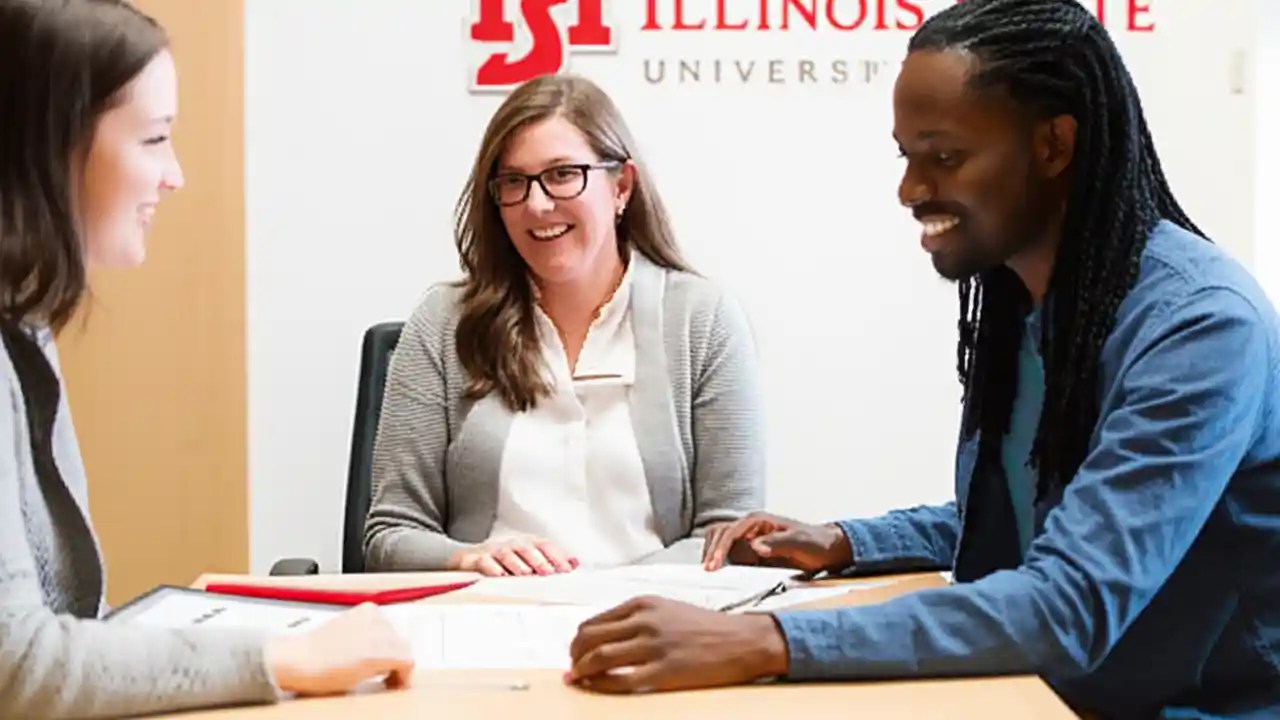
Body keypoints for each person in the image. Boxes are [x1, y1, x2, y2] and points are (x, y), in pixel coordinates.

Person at [562, 0, 1280, 716]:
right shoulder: (1026, 304)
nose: (910, 191)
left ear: (1054, 146)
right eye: (907, 157)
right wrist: (843, 542)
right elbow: (1039, 519)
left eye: (945, 158)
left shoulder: (1200, 328)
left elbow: (1070, 602)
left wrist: (764, 639)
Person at [0, 2, 414, 717]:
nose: (175, 176)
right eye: (155, 139)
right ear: (52, 145)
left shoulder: (25, 325)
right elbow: (17, 665)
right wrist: (284, 658)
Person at [363, 73, 764, 578]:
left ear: (622, 186)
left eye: (562, 174)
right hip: (484, 621)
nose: (536, 204)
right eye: (514, 181)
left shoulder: (703, 321)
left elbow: (730, 535)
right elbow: (389, 534)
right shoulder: (445, 322)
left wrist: (601, 593)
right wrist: (466, 557)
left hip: (655, 626)